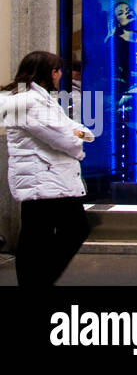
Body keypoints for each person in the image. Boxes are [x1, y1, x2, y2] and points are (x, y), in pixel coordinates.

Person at [0, 51, 95, 286]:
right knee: (72, 229)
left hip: (45, 177)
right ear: (48, 73)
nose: (60, 74)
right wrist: (80, 139)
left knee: (36, 235)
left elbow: (73, 129)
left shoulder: (36, 98)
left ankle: (35, 281)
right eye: (57, 70)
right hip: (47, 177)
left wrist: (80, 134)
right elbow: (65, 138)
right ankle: (39, 281)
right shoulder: (29, 102)